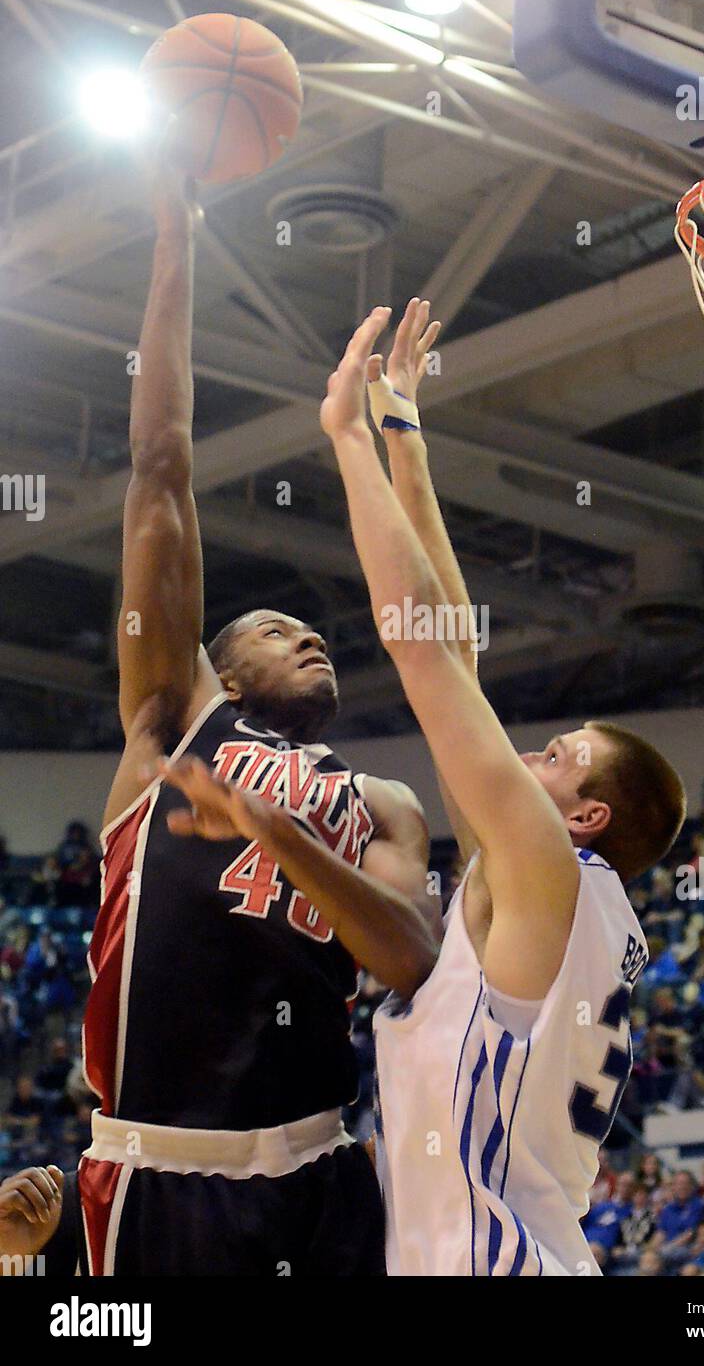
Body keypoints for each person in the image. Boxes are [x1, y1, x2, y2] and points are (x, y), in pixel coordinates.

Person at [78, 172, 436, 1277]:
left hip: (325, 1168)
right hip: (164, 1170)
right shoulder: (173, 720)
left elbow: (410, 954)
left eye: (316, 631)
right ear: (222, 664)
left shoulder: (384, 800)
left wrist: (275, 834)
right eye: (279, 627)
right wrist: (176, 241)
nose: (312, 636)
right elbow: (160, 471)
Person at [317, 303, 687, 1275]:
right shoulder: (559, 890)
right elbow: (457, 649)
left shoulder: (542, 865)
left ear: (587, 813)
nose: (531, 755)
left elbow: (421, 649)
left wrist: (348, 440)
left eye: (559, 754)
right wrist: (405, 434)